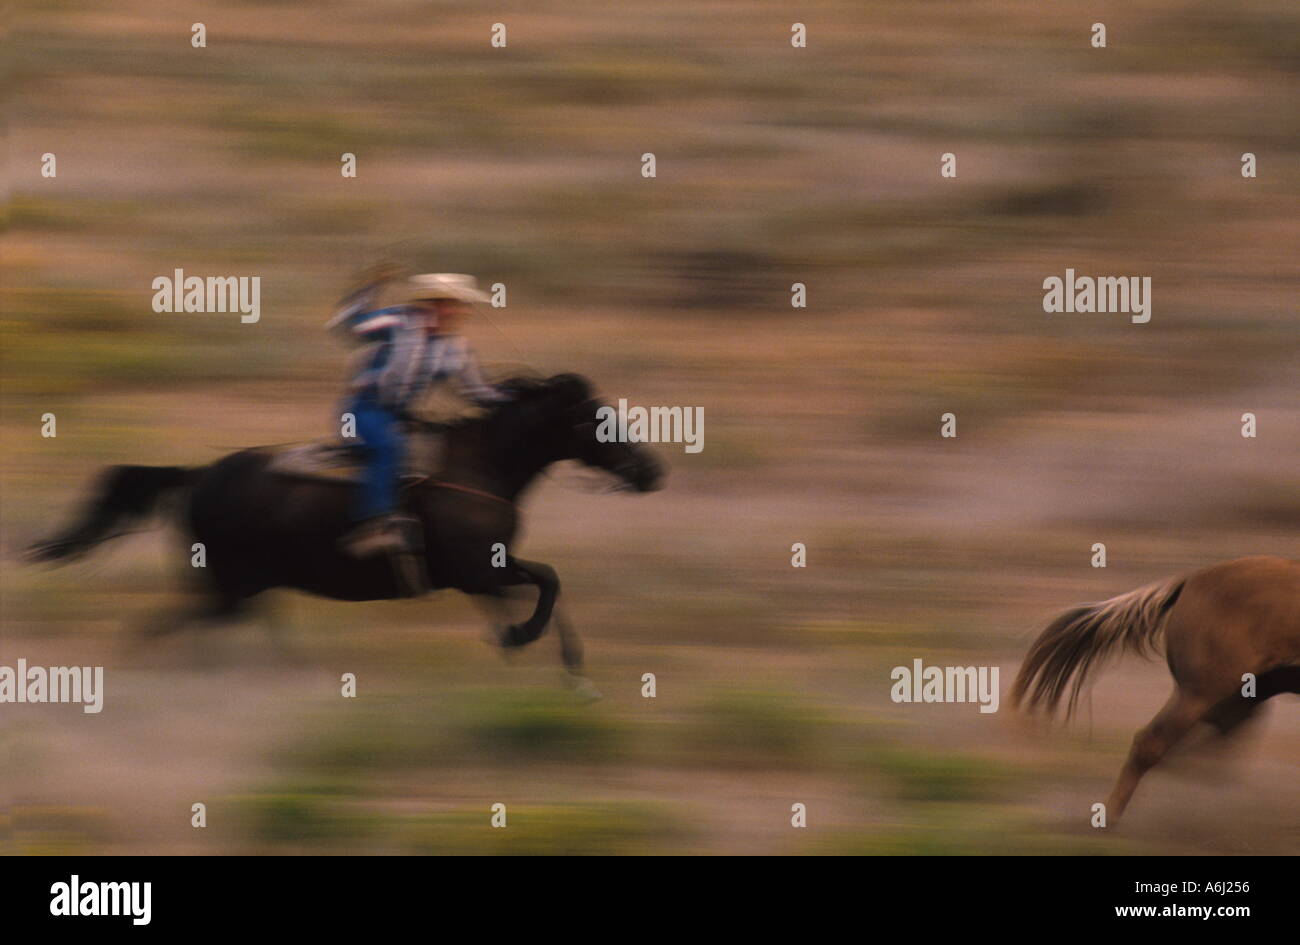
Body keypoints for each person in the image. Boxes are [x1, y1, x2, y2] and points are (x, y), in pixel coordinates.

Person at [327, 271, 512, 558]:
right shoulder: (398, 321)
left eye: (457, 305)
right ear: (429, 303)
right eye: (443, 303)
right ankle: (372, 525)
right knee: (388, 447)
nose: (451, 310)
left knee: (438, 456)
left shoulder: (456, 351)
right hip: (363, 409)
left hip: (401, 415)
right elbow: (347, 325)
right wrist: (371, 286)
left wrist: (521, 400)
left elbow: (479, 392)